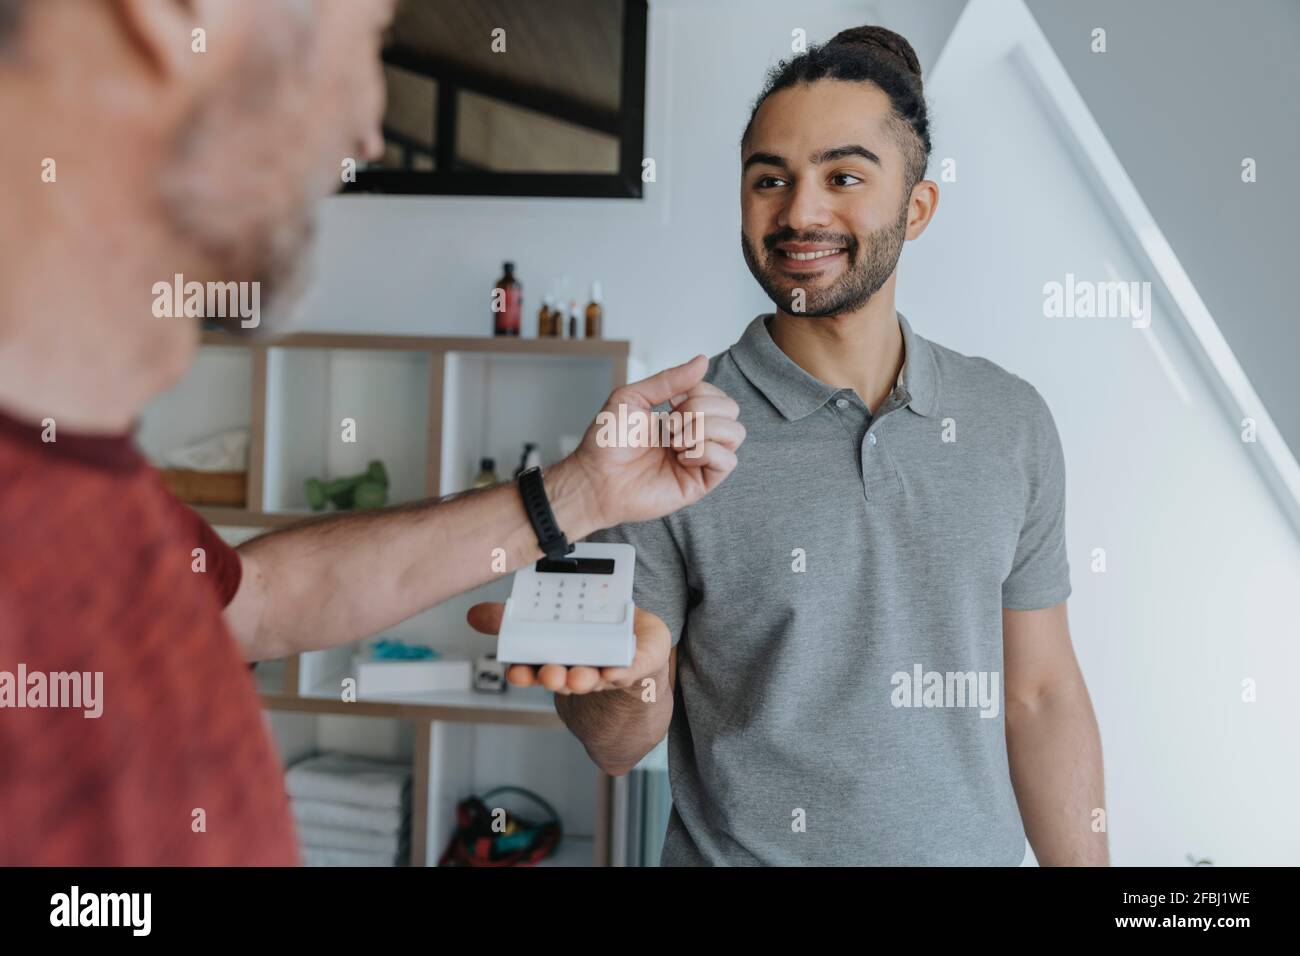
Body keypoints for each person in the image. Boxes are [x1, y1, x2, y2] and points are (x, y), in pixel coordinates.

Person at [0, 0, 744, 865]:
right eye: (366, 43)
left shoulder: (96, 495)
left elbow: (267, 601)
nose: (369, 134)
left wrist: (582, 495)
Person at [473, 26, 1108, 866]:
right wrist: (623, 681)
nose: (800, 211)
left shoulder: (1010, 421)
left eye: (843, 176)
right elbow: (620, 744)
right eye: (771, 179)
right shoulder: (668, 442)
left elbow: (1040, 695)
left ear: (916, 209)